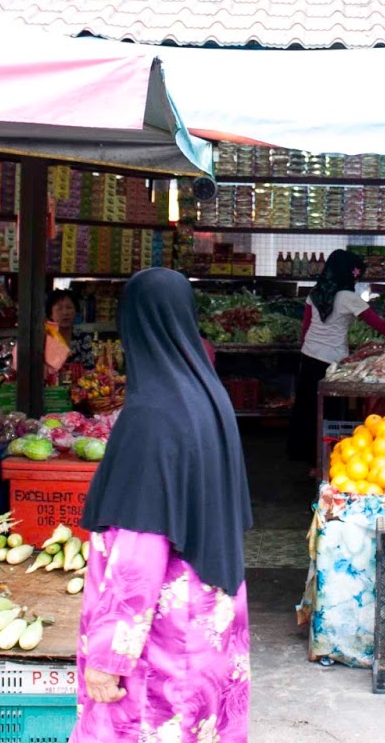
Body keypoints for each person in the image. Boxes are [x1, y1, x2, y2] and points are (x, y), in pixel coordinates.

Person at [71, 268, 253, 742]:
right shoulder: (208, 397)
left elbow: (139, 553)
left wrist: (109, 660)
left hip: (162, 646)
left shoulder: (150, 417)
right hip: (212, 623)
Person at [288, 249, 385, 466]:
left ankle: (306, 457)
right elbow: (377, 323)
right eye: (355, 272)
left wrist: (306, 349)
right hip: (331, 362)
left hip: (309, 356)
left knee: (307, 408)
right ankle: (324, 460)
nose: (357, 276)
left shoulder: (316, 292)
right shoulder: (348, 297)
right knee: (329, 413)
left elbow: (305, 328)